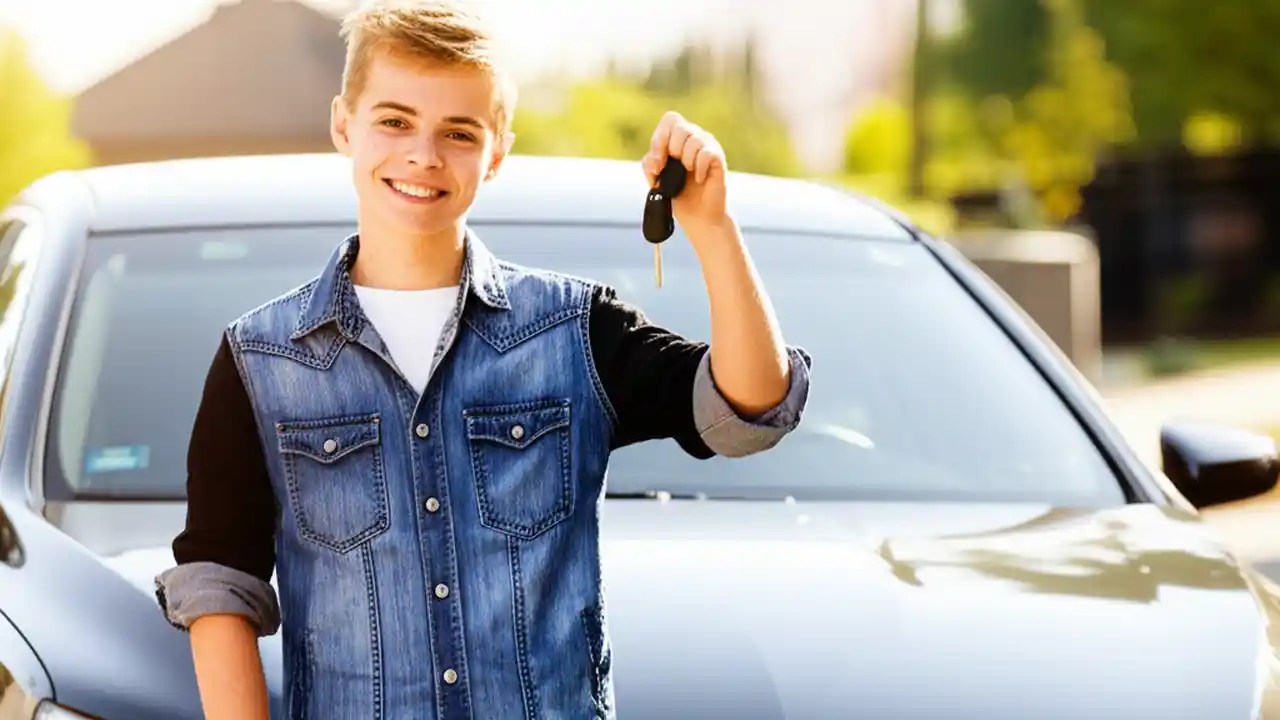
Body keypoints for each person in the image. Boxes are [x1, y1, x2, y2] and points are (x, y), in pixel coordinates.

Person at [153, 1, 811, 718]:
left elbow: (750, 412)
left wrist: (712, 227)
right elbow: (221, 585)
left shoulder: (574, 331)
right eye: (395, 121)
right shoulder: (259, 360)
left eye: (458, 133)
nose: (424, 155)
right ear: (344, 123)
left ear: (497, 151)